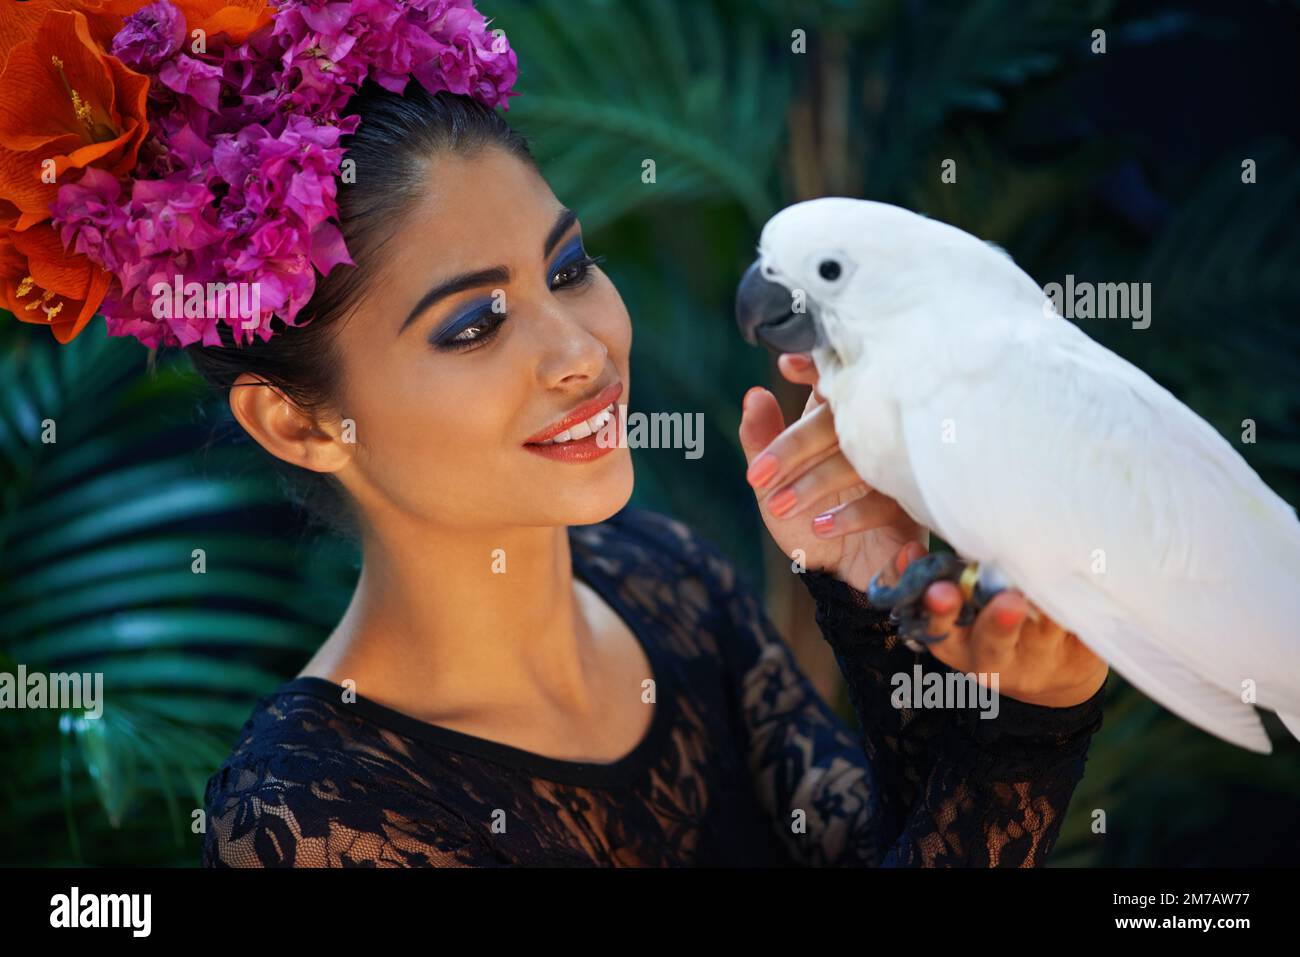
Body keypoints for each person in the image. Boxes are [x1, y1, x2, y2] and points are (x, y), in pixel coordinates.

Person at [192, 81, 1109, 868]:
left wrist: (886, 617)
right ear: (297, 421)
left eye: (570, 266)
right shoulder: (311, 822)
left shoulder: (664, 575)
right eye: (475, 326)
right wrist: (1018, 748)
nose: (582, 352)